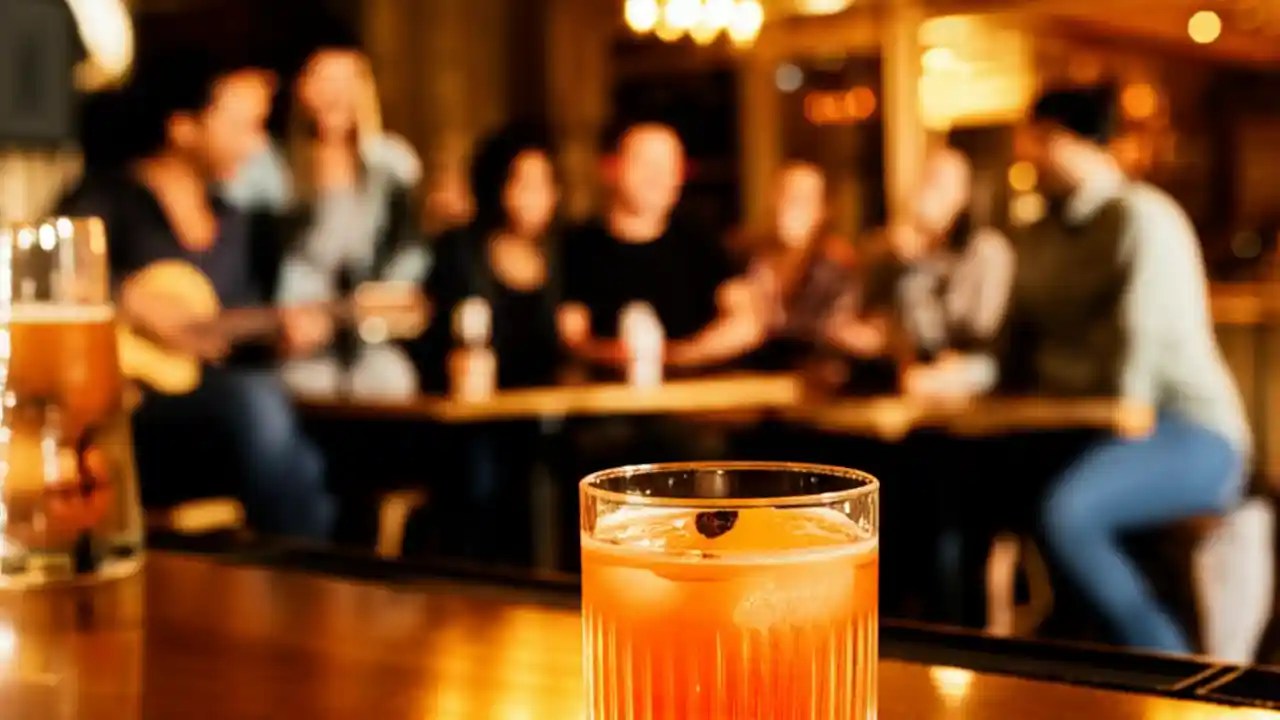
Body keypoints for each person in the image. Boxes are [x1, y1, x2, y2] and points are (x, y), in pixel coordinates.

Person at [1005, 86, 1251, 653]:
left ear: (1070, 141)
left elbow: (1140, 345)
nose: (1028, 155)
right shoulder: (1041, 232)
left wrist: (1111, 402)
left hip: (1190, 430)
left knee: (1070, 513)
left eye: (1038, 141)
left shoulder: (1143, 217)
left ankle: (1167, 666)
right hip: (1086, 428)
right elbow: (1017, 338)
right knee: (972, 487)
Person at [59, 50, 336, 541]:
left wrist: (280, 339)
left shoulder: (236, 223)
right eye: (244, 127)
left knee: (291, 421)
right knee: (257, 408)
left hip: (222, 420)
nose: (255, 145)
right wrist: (128, 299)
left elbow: (232, 332)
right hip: (132, 418)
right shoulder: (108, 200)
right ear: (183, 126)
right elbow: (52, 271)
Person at [227, 39, 426, 398]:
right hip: (291, 334)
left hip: (366, 331)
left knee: (392, 383)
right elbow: (245, 264)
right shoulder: (267, 169)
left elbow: (408, 259)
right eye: (322, 79)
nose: (336, 95)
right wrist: (276, 325)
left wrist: (391, 301)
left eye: (348, 80)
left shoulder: (389, 168)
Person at [404, 125, 562, 563]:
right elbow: (430, 338)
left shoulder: (561, 254)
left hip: (543, 412)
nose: (534, 196)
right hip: (471, 417)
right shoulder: (460, 250)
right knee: (480, 471)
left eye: (544, 183)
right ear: (495, 185)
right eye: (521, 182)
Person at [559, 122, 759, 371]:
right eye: (645, 164)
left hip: (694, 398)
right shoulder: (579, 246)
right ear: (612, 169)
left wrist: (679, 355)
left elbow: (747, 324)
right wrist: (625, 357)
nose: (658, 177)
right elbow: (572, 337)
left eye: (670, 166)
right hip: (606, 400)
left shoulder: (700, 241)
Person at [740, 161, 885, 370]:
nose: (792, 207)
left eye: (804, 200)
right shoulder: (749, 258)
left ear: (822, 210)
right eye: (787, 196)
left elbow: (834, 329)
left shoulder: (837, 267)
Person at [895, 145, 1015, 364]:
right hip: (926, 366)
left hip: (982, 364)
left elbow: (981, 328)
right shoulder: (910, 254)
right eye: (926, 181)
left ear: (964, 193)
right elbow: (914, 336)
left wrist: (920, 269)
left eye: (940, 184)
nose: (929, 193)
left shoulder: (987, 249)